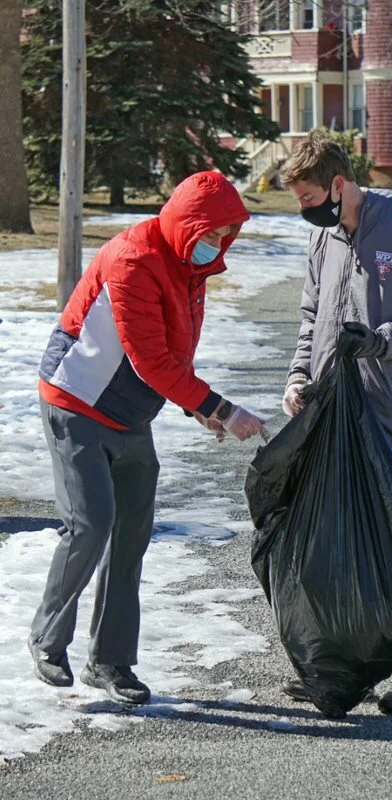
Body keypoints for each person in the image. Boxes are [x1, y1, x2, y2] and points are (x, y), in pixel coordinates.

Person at [29, 171, 264, 705]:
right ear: (189, 223)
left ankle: (109, 662)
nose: (221, 243)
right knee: (91, 521)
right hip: (77, 402)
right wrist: (220, 409)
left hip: (131, 413)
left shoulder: (188, 264)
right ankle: (47, 638)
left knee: (133, 532)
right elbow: (148, 357)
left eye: (229, 234)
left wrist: (195, 409)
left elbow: (170, 354)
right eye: (215, 232)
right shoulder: (133, 258)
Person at [280, 131, 392, 714]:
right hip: (335, 412)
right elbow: (313, 315)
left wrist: (380, 342)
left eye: (309, 197)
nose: (305, 210)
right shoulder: (326, 241)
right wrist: (298, 378)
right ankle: (340, 666)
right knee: (333, 539)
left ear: (338, 184)